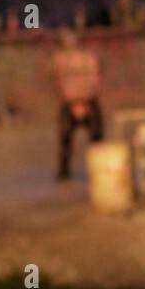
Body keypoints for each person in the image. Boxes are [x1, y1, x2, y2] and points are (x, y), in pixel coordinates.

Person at [50, 26, 103, 180]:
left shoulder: (89, 58)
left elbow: (95, 79)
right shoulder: (59, 60)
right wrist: (72, 102)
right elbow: (58, 83)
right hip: (69, 102)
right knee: (65, 138)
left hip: (88, 101)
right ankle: (64, 173)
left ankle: (99, 169)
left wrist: (85, 102)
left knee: (97, 139)